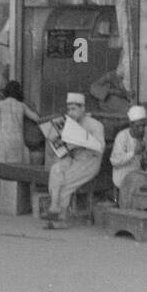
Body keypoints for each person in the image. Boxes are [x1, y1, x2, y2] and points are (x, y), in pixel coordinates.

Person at [0, 81, 42, 207]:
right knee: (18, 168)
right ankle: (22, 199)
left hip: (3, 140)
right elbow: (36, 118)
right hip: (18, 141)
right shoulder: (21, 106)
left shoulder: (0, 104)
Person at [46, 92, 106, 226]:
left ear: (82, 108)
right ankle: (55, 205)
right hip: (73, 159)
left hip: (89, 162)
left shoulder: (95, 125)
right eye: (69, 109)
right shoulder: (68, 124)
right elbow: (59, 149)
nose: (70, 113)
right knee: (56, 170)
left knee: (65, 182)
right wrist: (54, 139)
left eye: (74, 109)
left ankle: (59, 218)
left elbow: (100, 147)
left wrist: (82, 142)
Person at [110, 104, 147, 208]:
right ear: (131, 125)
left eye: (143, 126)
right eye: (138, 126)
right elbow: (115, 161)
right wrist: (133, 153)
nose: (141, 129)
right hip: (124, 174)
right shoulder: (122, 136)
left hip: (142, 173)